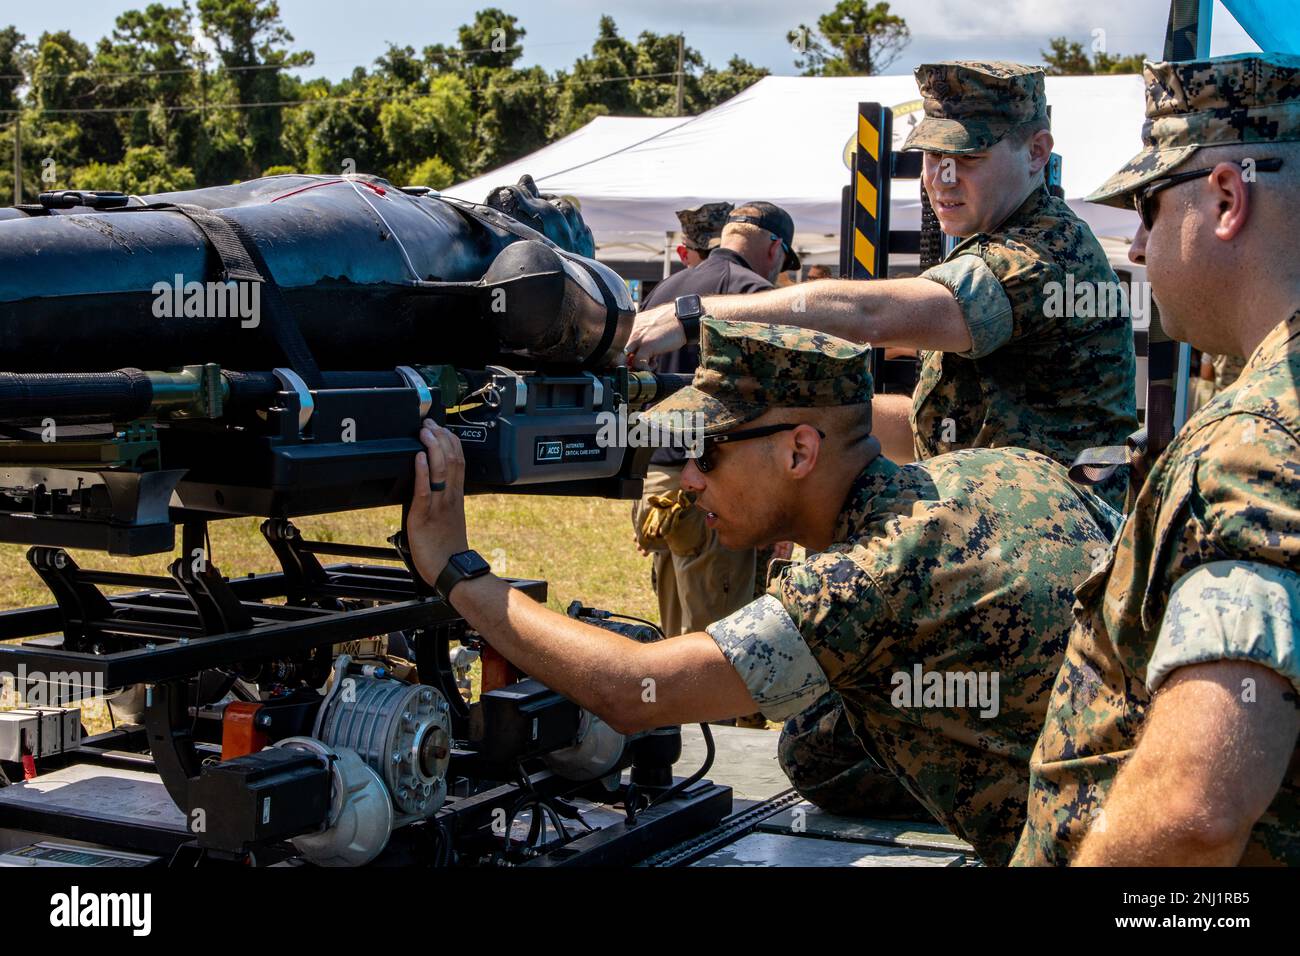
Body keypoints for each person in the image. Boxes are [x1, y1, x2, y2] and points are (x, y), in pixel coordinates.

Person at [626, 59, 1140, 821]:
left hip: (1045, 593)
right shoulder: (988, 250)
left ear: (1037, 150)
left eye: (967, 157)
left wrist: (708, 311)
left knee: (825, 751)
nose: (942, 177)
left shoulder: (1043, 255)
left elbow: (870, 316)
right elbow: (912, 424)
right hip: (994, 567)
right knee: (820, 742)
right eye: (933, 157)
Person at [404, 318, 1119, 865]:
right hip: (1183, 809)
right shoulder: (1007, 467)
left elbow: (634, 690)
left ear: (800, 452)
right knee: (816, 745)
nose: (688, 478)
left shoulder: (862, 580)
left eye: (705, 453)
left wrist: (456, 567)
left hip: (1118, 849)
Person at [1014, 52, 1300, 866]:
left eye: (1146, 208)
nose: (1135, 247)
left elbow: (1193, 813)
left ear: (1225, 198)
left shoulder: (1257, 446)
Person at [631, 201, 798, 641]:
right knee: (718, 643)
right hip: (714, 487)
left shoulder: (663, 292)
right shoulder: (758, 297)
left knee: (673, 635)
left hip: (655, 483)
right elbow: (773, 404)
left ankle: (670, 707)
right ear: (776, 247)